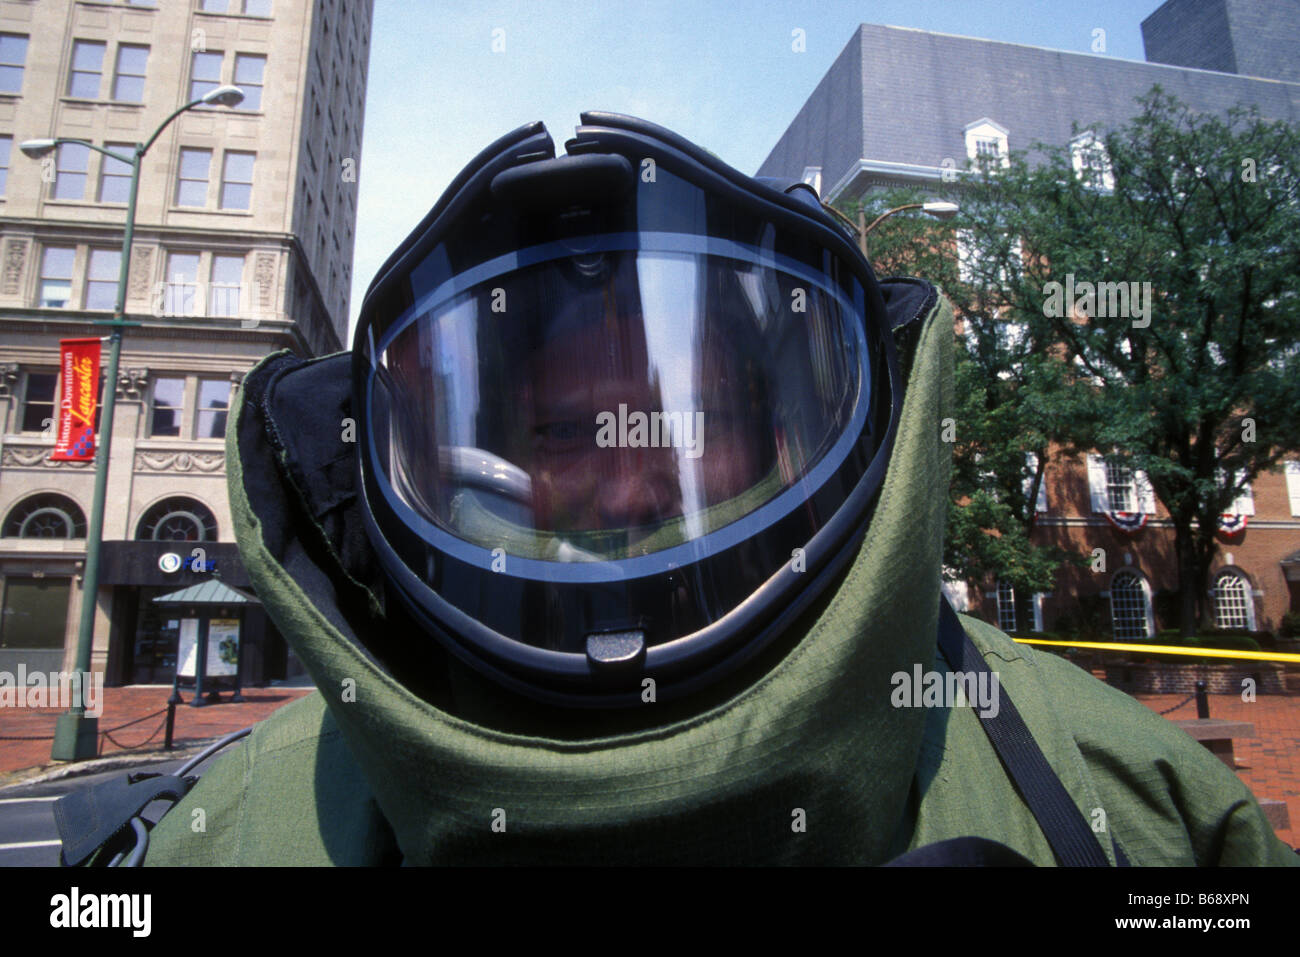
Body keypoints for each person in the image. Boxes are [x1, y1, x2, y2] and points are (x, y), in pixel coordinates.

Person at [137, 113, 1295, 866]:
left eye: (695, 422)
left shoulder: (1133, 813)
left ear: (804, 430)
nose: (641, 476)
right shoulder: (221, 840)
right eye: (569, 429)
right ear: (480, 466)